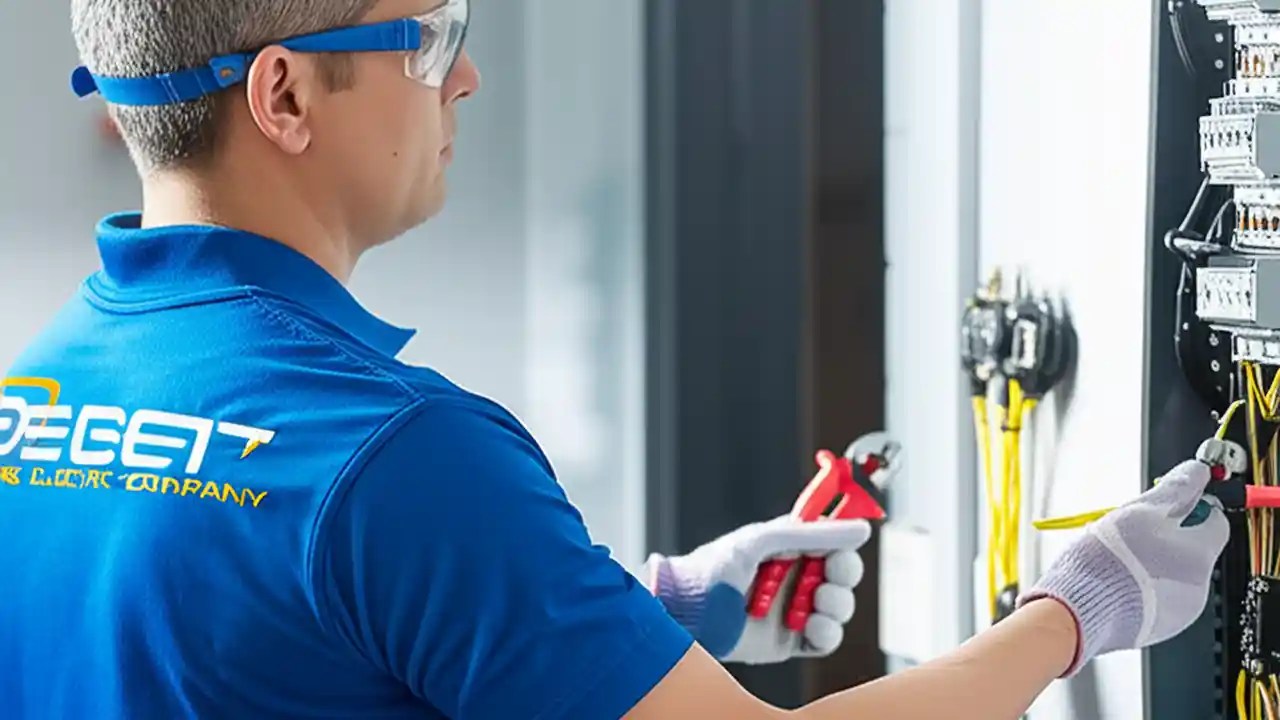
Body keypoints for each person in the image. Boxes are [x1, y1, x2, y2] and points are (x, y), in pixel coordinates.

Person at [0, 0, 1227, 717]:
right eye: (430, 37)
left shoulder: (32, 393)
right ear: (282, 96)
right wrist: (1074, 612)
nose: (464, 76)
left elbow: (264, 654)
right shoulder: (395, 457)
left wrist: (648, 621)